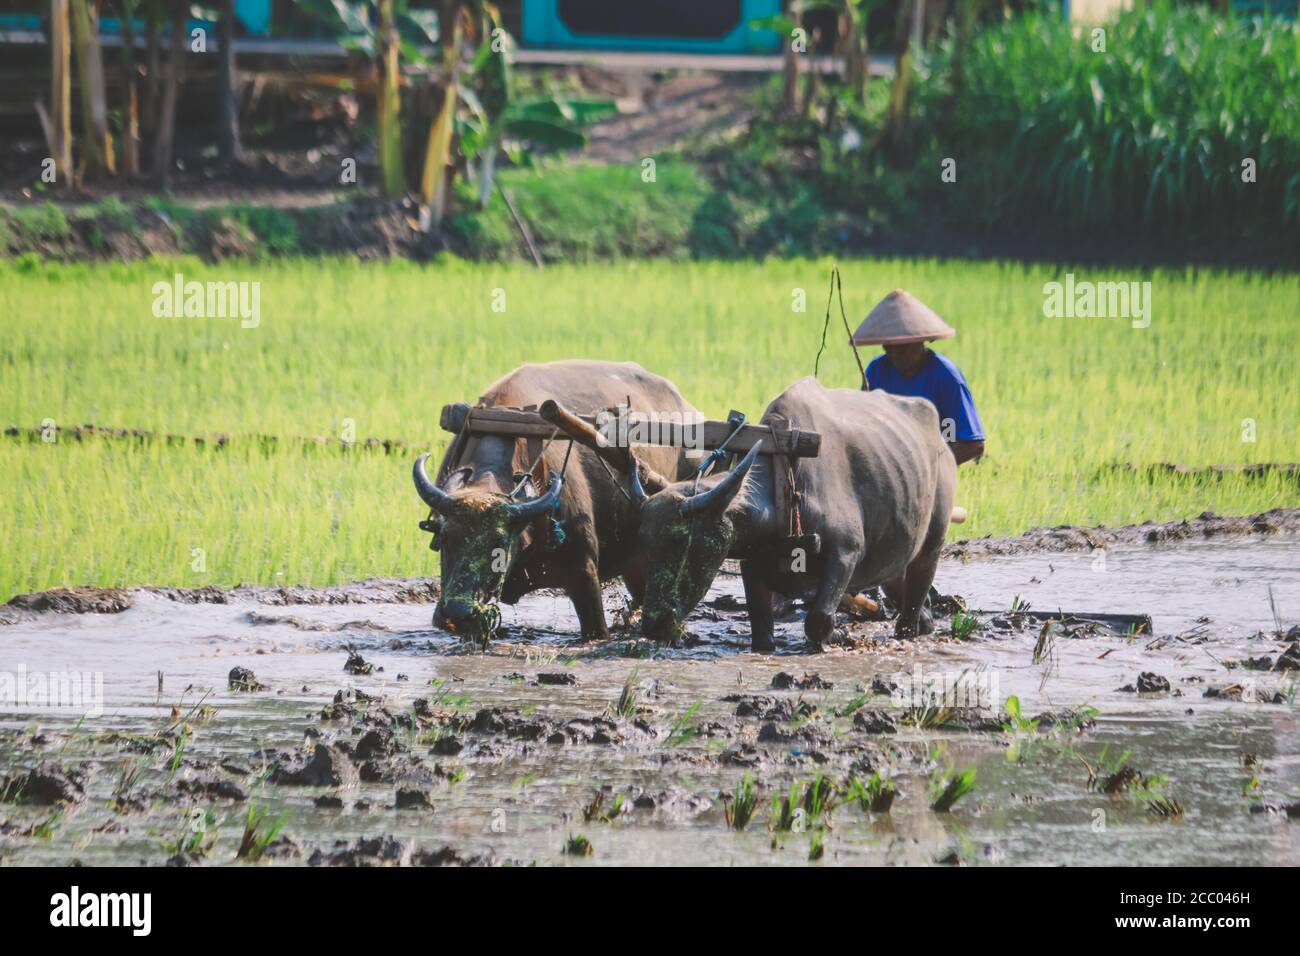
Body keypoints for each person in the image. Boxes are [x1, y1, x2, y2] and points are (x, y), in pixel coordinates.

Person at [853, 289, 985, 465]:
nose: (894, 354)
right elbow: (863, 428)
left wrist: (926, 468)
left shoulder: (944, 377)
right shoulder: (877, 371)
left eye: (902, 347)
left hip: (932, 464)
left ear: (920, 341)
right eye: (888, 347)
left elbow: (972, 444)